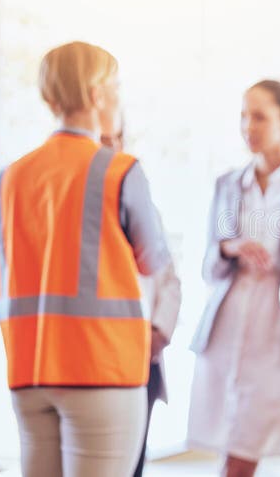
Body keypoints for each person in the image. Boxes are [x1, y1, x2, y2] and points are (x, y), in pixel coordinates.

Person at [0, 41, 173, 476]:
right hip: (100, 371)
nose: (120, 98)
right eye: (116, 86)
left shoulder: (3, 182)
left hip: (29, 373)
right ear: (95, 94)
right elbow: (153, 261)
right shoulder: (119, 170)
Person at [187, 79, 280, 477]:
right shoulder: (228, 183)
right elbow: (208, 264)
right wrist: (229, 247)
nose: (247, 127)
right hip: (227, 321)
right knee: (224, 437)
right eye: (243, 116)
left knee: (247, 441)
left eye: (259, 116)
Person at [98, 115, 182, 477]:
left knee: (132, 463)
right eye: (102, 138)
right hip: (96, 356)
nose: (110, 147)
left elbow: (168, 280)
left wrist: (158, 333)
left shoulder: (144, 208)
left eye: (115, 138)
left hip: (142, 354)